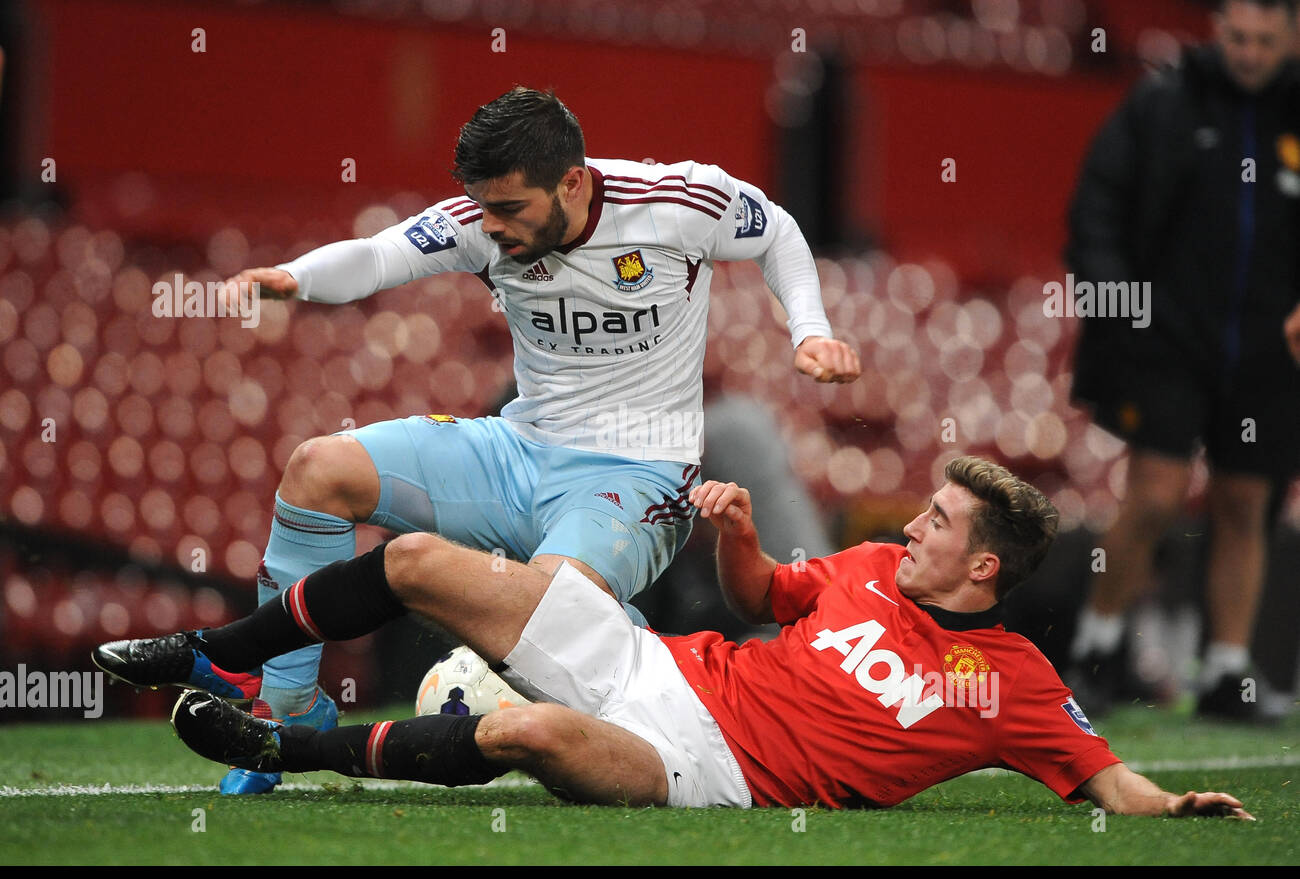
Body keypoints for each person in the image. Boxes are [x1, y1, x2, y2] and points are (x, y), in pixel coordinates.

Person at [206, 86, 861, 792]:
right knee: (318, 469)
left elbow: (778, 232)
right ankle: (289, 708)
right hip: (519, 451)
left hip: (637, 474)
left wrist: (810, 330)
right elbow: (376, 257)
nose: (489, 226)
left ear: (573, 182)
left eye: (510, 209)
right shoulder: (480, 220)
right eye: (482, 206)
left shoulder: (677, 201)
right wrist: (294, 278)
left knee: (548, 611)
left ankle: (649, 704)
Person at [94, 456, 1251, 818]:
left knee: (525, 730)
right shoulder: (857, 569)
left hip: (713, 775)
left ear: (983, 566)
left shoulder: (1013, 681)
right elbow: (757, 598)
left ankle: (282, 752)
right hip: (658, 664)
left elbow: (1103, 776)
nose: (910, 523)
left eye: (936, 521)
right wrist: (738, 536)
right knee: (406, 559)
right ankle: (217, 648)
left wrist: (1174, 805)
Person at [1065, 0, 1300, 720]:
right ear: (1216, 27)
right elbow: (1098, 202)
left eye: (1265, 39)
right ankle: (1097, 647)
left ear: (1291, 33)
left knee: (1245, 501)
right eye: (1237, 36)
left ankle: (1228, 670)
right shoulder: (1166, 99)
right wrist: (1116, 301)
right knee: (1157, 495)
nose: (1249, 52)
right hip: (1167, 338)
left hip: (1268, 347)